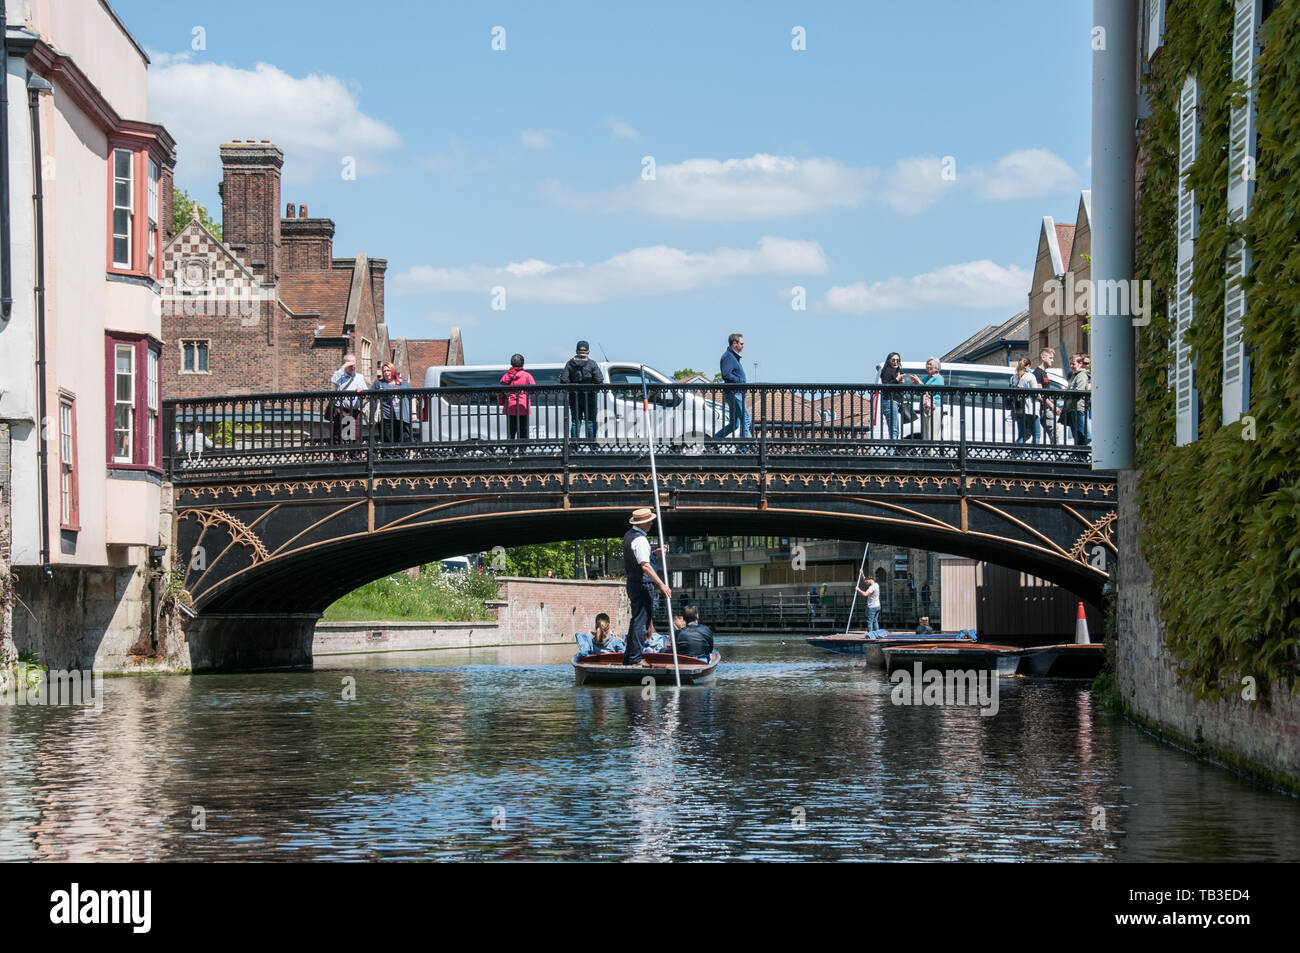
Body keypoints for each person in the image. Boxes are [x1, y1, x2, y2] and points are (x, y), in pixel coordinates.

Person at [623, 507, 672, 666]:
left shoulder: (629, 536)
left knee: (636, 621)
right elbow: (645, 566)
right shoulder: (641, 540)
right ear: (643, 523)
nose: (651, 524)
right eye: (649, 522)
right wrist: (662, 584)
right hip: (643, 585)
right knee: (642, 623)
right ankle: (636, 659)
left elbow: (641, 558)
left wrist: (654, 553)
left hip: (633, 583)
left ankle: (629, 657)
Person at [558, 340, 605, 440]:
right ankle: (592, 446)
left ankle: (575, 446)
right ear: (588, 351)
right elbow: (599, 380)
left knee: (576, 421)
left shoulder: (570, 363)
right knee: (590, 421)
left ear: (576, 351)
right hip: (590, 396)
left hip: (574, 396)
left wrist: (572, 386)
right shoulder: (592, 364)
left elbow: (564, 380)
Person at [713, 333, 751, 440]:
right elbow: (726, 374)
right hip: (735, 393)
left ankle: (713, 441)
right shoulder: (728, 357)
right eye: (742, 344)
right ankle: (744, 449)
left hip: (735, 393)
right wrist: (741, 381)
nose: (743, 346)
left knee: (734, 424)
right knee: (746, 420)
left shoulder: (732, 356)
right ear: (735, 344)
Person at [330, 354, 367, 446]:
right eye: (349, 363)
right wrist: (343, 367)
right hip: (341, 410)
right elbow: (333, 380)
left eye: (353, 363)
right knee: (338, 435)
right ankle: (338, 457)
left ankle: (354, 457)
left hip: (355, 411)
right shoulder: (340, 376)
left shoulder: (359, 377)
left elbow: (366, 392)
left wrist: (362, 391)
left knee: (355, 436)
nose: (352, 366)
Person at [372, 362, 412, 444]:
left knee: (402, 440)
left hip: (402, 416)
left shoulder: (403, 383)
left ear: (393, 371)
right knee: (387, 440)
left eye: (388, 370)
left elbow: (412, 397)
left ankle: (400, 456)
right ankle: (387, 456)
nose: (386, 373)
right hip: (386, 417)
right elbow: (368, 395)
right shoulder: (379, 383)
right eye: (384, 371)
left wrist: (413, 413)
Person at [907, 357, 944, 443]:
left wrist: (919, 382)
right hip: (925, 407)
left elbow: (930, 391)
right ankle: (927, 453)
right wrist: (916, 384)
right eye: (927, 364)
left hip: (934, 408)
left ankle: (933, 454)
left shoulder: (938, 378)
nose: (928, 366)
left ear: (936, 366)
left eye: (930, 364)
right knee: (925, 433)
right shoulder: (926, 378)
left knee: (932, 433)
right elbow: (919, 391)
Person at [499, 354, 535, 442]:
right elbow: (533, 389)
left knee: (511, 430)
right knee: (523, 429)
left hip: (510, 405)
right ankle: (522, 450)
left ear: (511, 363)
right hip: (523, 405)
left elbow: (501, 388)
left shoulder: (506, 376)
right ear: (522, 363)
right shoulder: (527, 375)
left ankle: (510, 450)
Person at [1033, 348, 1061, 444]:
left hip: (1045, 408)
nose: (1052, 360)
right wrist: (1052, 406)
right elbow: (1040, 394)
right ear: (1043, 357)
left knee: (1054, 432)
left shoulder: (1044, 373)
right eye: (1051, 358)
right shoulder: (1037, 373)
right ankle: (1058, 455)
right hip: (1043, 408)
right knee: (1054, 432)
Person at [1011, 357, 1041, 445]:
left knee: (1021, 435)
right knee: (1036, 434)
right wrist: (1040, 398)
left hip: (1018, 408)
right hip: (1030, 408)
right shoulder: (1030, 376)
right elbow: (1035, 393)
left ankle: (1020, 454)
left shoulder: (1013, 377)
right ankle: (1034, 455)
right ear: (1029, 366)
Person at [1066, 353, 1091, 445]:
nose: (1071, 366)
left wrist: (1068, 393)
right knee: (1076, 433)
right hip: (1072, 407)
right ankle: (1078, 454)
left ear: (1080, 363)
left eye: (1073, 364)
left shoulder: (1081, 375)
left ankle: (1082, 455)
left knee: (1081, 433)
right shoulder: (1074, 375)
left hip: (1078, 407)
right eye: (1070, 364)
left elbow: (1079, 390)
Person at [879, 351, 904, 440]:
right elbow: (886, 385)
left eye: (898, 360)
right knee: (894, 430)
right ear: (889, 360)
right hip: (890, 401)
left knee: (895, 430)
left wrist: (901, 382)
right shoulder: (887, 370)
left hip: (896, 402)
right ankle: (891, 452)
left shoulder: (898, 371)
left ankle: (892, 451)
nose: (895, 362)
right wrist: (897, 380)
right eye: (893, 360)